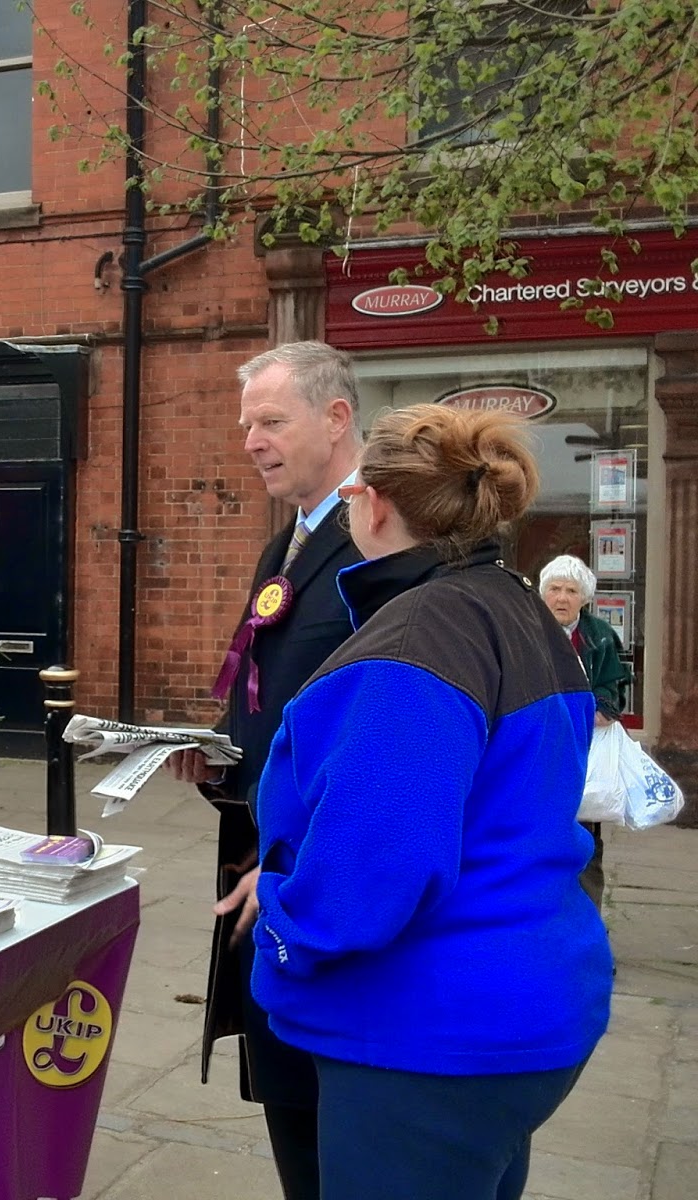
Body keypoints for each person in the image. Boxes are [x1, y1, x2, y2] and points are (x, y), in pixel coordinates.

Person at [249, 405, 613, 1200]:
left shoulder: (418, 637)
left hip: (427, 1032)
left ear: (374, 503)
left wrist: (283, 921)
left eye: (352, 497)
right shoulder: (513, 605)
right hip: (527, 1002)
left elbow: (374, 873)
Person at [166, 340, 363, 1200]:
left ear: (337, 417)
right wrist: (219, 750)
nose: (250, 439)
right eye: (248, 423)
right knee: (287, 1105)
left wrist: (302, 863)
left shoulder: (374, 542)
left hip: (315, 878)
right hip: (260, 860)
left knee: (325, 1129)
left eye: (272, 421)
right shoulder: (289, 539)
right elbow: (276, 685)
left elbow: (366, 721)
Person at [538, 553, 631, 908]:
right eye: (555, 589)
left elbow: (613, 691)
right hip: (538, 752)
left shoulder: (600, 636)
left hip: (583, 752)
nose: (562, 598)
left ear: (585, 598)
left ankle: (587, 919)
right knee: (538, 837)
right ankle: (543, 917)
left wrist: (593, 708)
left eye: (571, 590)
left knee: (585, 841)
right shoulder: (526, 631)